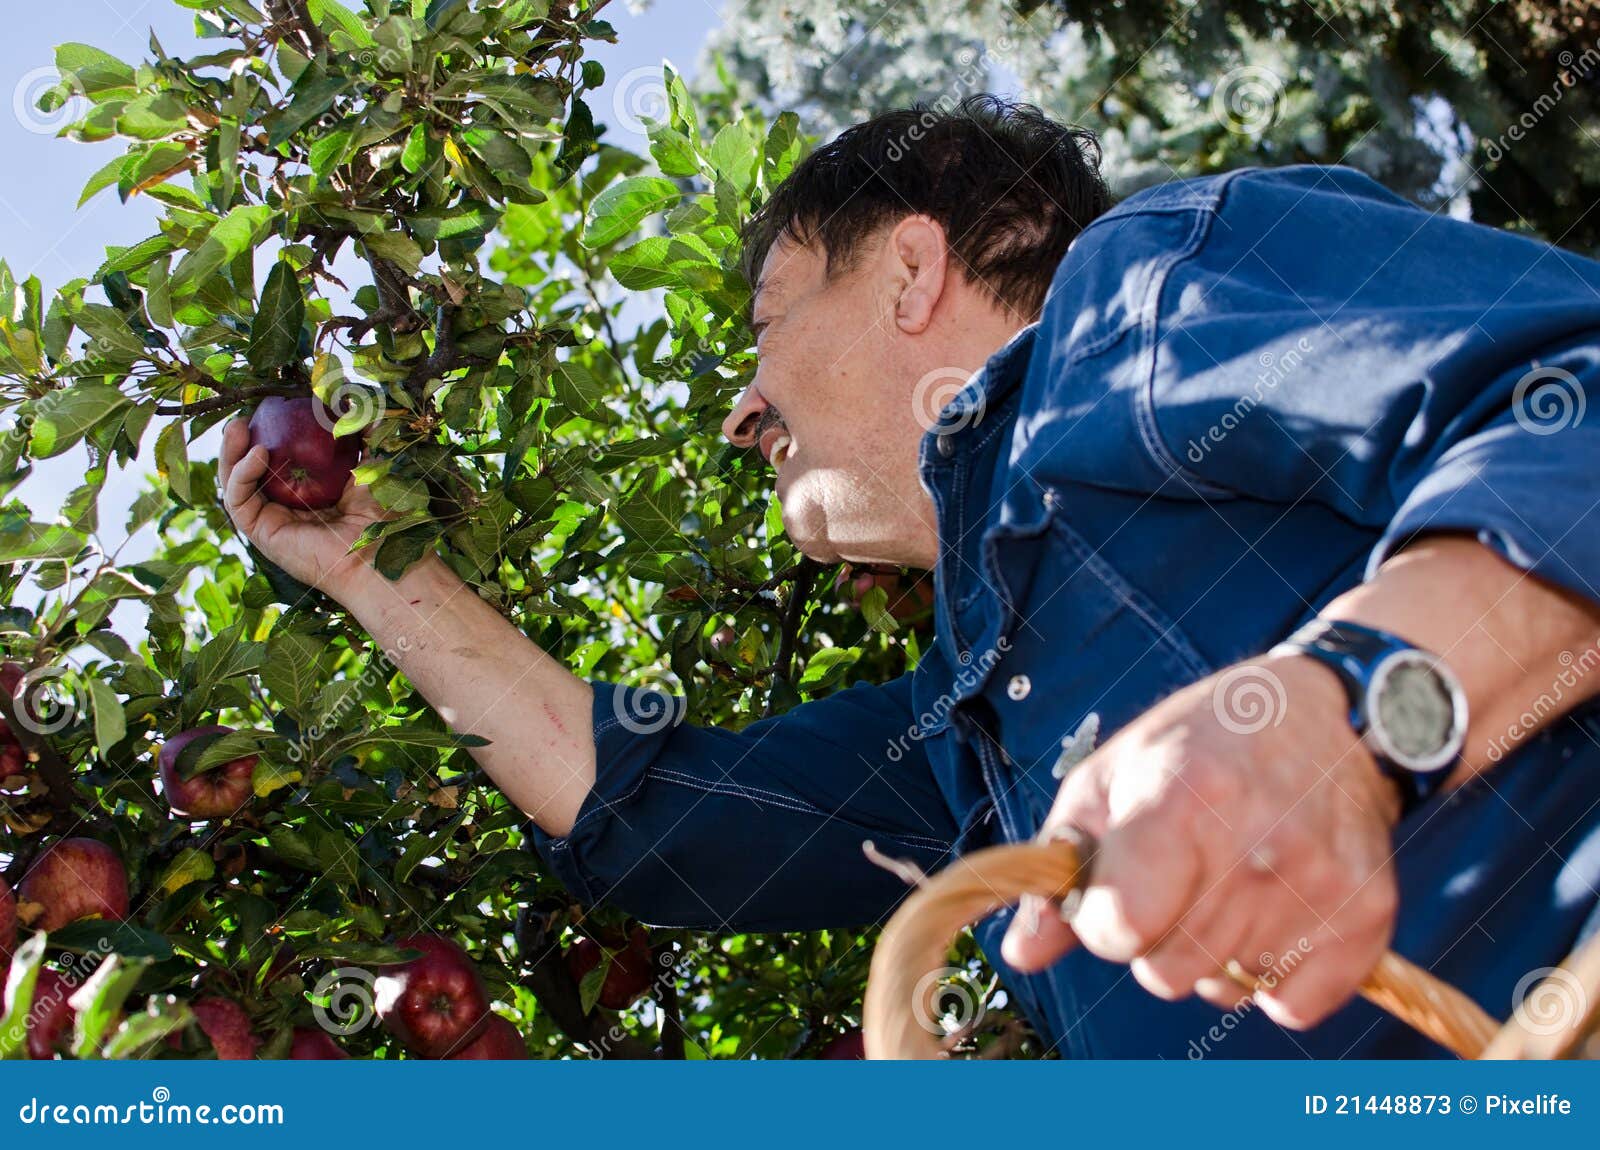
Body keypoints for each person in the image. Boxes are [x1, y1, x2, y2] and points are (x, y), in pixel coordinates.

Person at [220, 97, 1600, 1058]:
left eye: (767, 325)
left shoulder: (1130, 306)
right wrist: (365, 565)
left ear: (911, 269)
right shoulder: (959, 731)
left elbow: (1569, 396)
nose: (740, 412)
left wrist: (1355, 714)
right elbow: (646, 816)